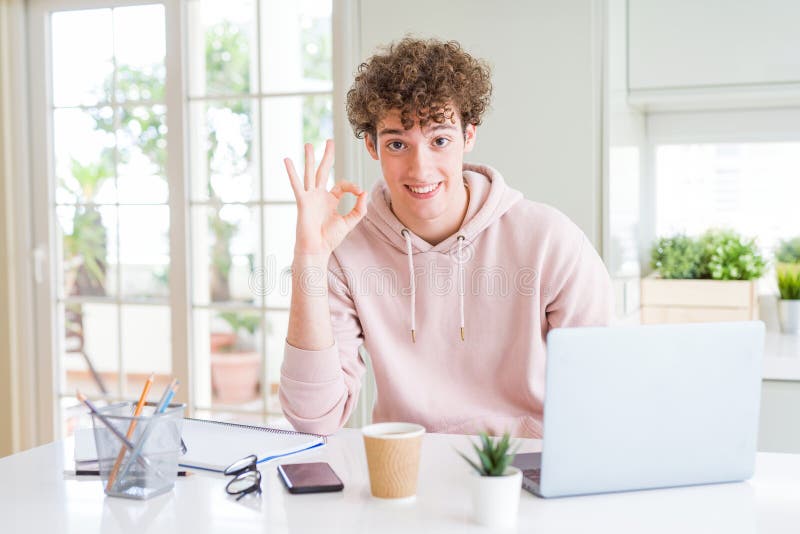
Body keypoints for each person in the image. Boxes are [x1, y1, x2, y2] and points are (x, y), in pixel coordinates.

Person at [279, 37, 613, 438]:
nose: (420, 169)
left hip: (524, 472)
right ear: (372, 145)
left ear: (469, 135)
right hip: (405, 472)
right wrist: (310, 260)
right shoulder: (347, 253)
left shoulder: (550, 242)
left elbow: (599, 396)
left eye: (440, 140)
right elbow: (313, 418)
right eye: (398, 144)